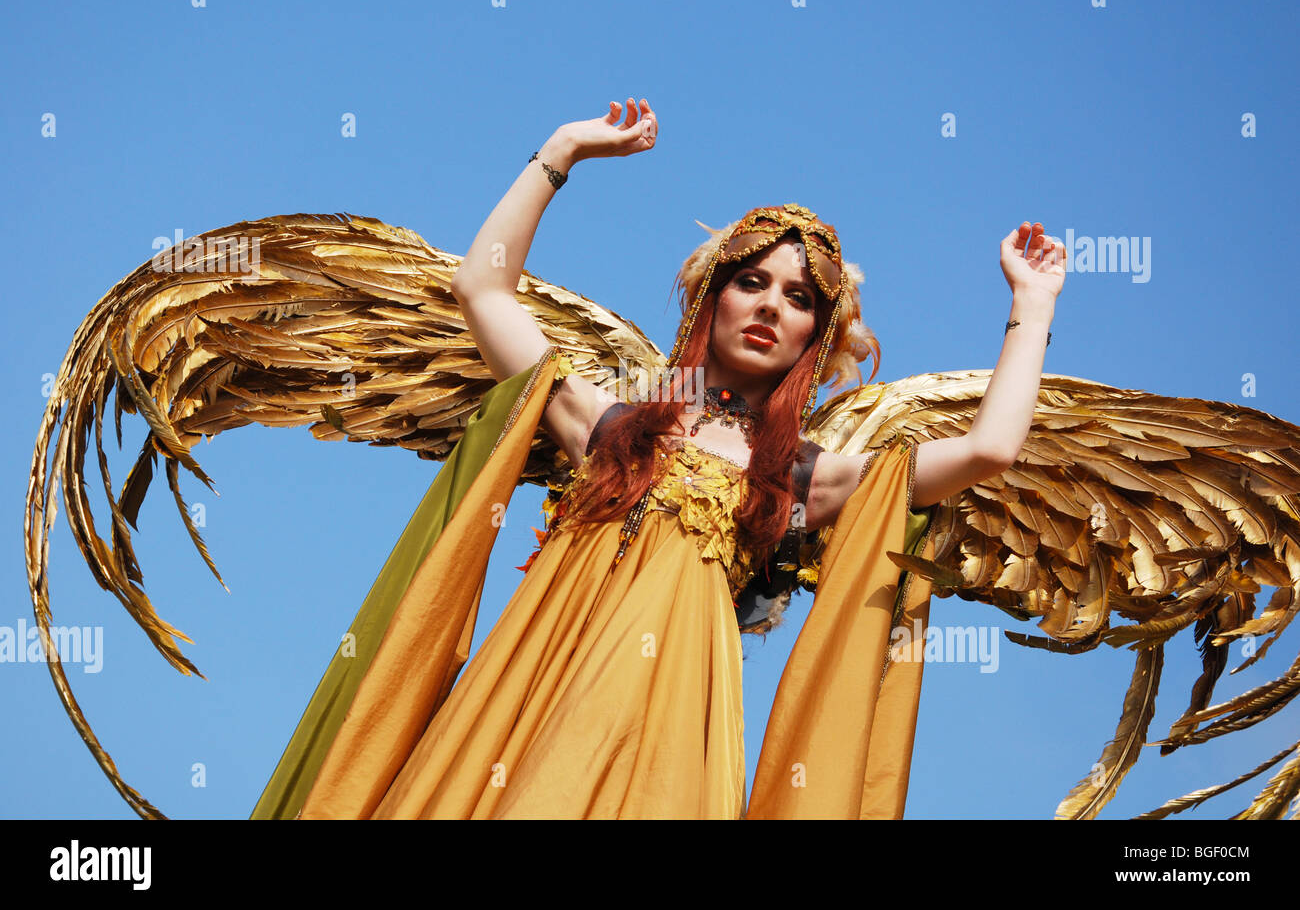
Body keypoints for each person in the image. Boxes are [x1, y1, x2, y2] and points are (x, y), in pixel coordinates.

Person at [253, 98, 1064, 819]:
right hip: (536, 678)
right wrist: (561, 151)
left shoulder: (804, 479)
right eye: (753, 281)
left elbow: (989, 447)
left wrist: (1030, 307)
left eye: (798, 298)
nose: (770, 305)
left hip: (673, 716)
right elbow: (482, 290)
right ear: (715, 299)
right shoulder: (610, 427)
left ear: (811, 342)